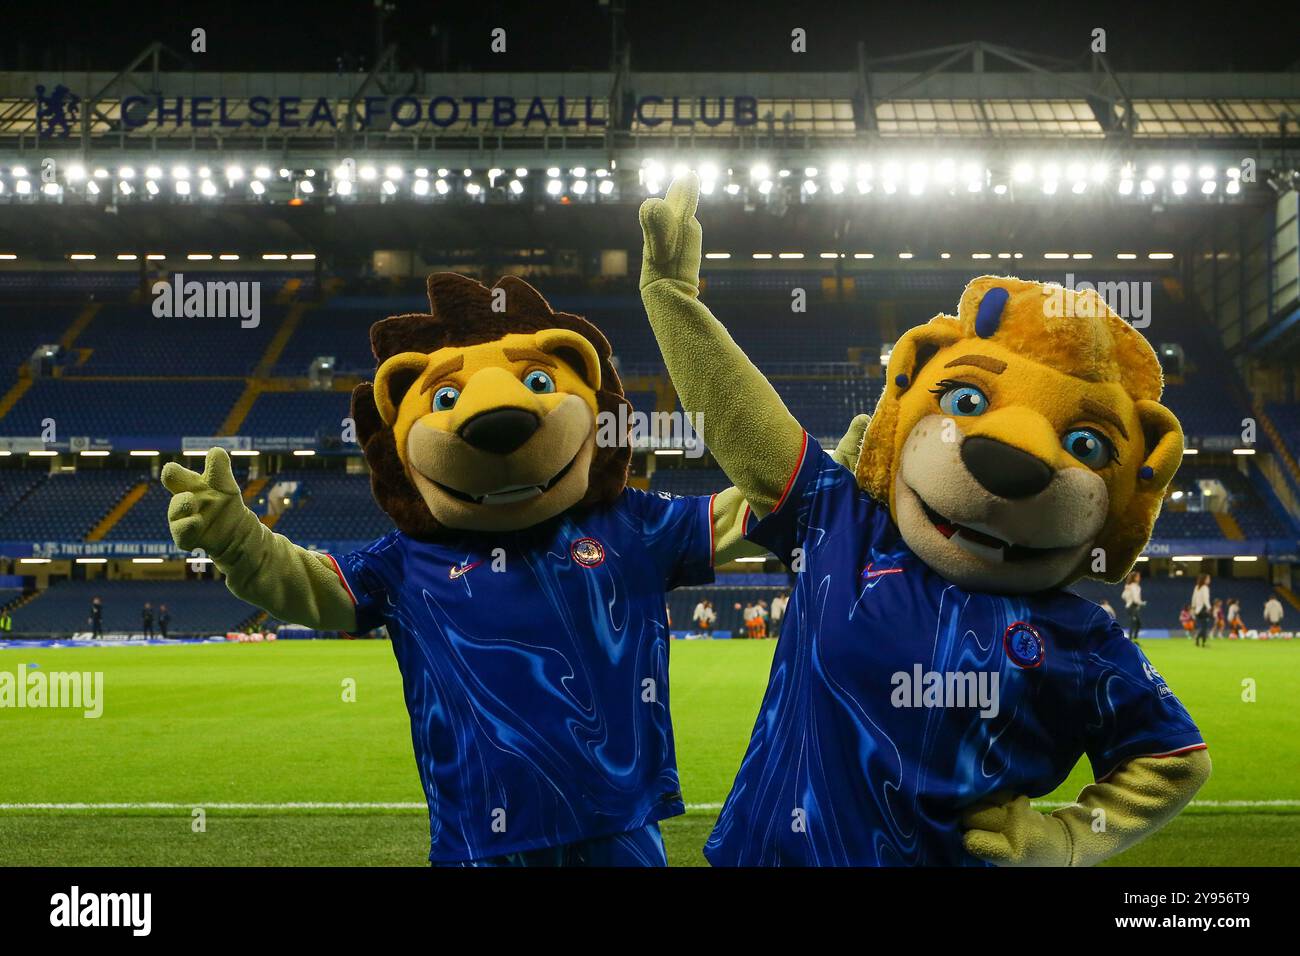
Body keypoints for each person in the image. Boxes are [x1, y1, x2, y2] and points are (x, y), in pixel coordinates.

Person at [1121, 571, 1144, 644]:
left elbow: (1123, 596)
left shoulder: (1130, 586)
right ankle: (1131, 640)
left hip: (1132, 606)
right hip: (1132, 606)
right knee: (1133, 623)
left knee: (1137, 623)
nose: (1139, 578)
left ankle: (1134, 640)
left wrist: (1128, 600)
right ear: (1134, 578)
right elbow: (1135, 598)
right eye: (1138, 576)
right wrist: (1140, 602)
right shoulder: (1133, 586)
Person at [1191, 574, 1212, 648]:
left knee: (1203, 626)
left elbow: (1193, 598)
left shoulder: (1197, 587)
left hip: (1197, 610)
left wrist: (1193, 608)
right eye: (1208, 579)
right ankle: (1200, 639)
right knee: (1204, 627)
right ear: (1205, 579)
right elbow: (1206, 599)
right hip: (1203, 609)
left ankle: (1201, 642)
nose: (1209, 580)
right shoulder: (1205, 588)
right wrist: (1209, 608)